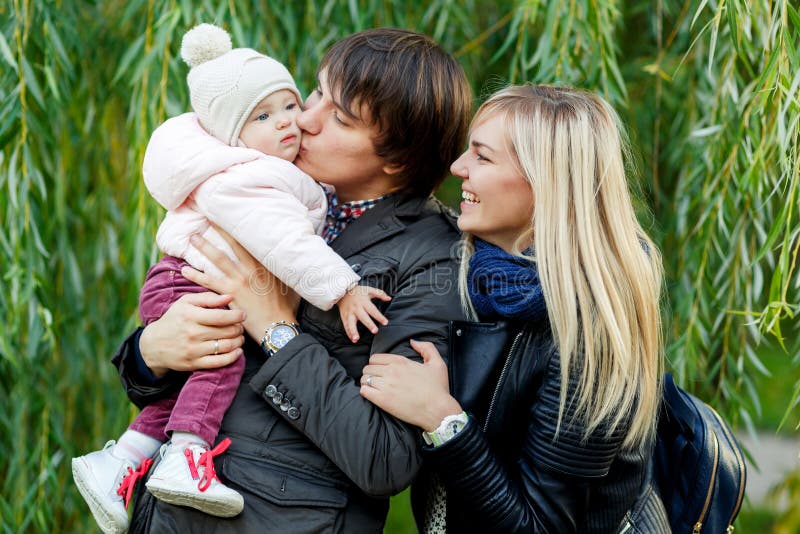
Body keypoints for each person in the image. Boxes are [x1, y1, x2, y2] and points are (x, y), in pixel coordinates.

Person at [106, 27, 472, 532]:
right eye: (317, 91)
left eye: (340, 118)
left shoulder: (430, 259)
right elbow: (175, 380)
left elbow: (386, 459)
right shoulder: (266, 187)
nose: (305, 118)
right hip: (169, 515)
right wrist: (151, 353)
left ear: (397, 159)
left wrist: (277, 329)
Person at [360, 85, 671, 532]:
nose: (457, 167)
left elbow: (543, 527)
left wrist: (442, 420)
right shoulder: (470, 274)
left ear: (548, 182)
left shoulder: (589, 331)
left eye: (483, 157)